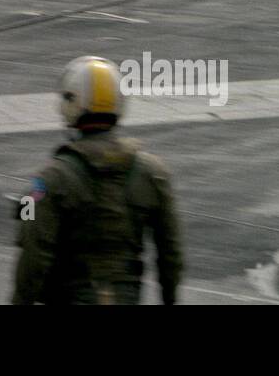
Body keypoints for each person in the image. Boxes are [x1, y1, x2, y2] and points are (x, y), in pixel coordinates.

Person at [12, 55, 183, 305]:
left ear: (71, 102)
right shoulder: (154, 173)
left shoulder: (46, 181)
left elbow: (33, 251)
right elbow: (171, 253)